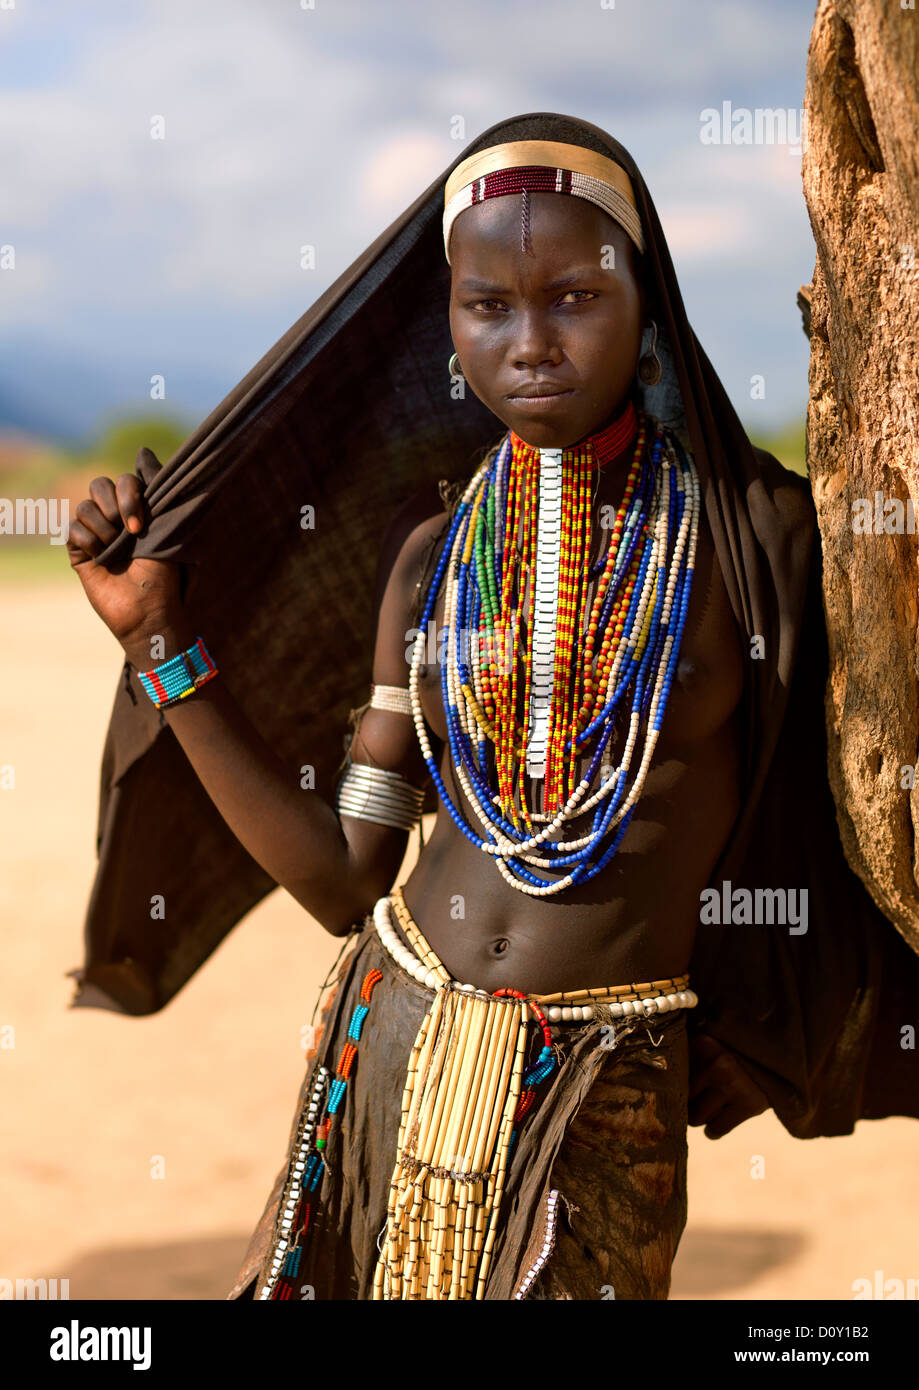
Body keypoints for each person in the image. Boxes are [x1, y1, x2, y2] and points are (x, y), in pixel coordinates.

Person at [65, 113, 919, 1300]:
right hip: (386, 1046)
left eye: (574, 296)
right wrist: (161, 644)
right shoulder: (432, 561)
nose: (531, 343)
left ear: (646, 297)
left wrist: (765, 1029)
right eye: (489, 306)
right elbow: (341, 882)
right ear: (450, 324)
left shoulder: (755, 542)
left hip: (603, 1087)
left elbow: (839, 817)